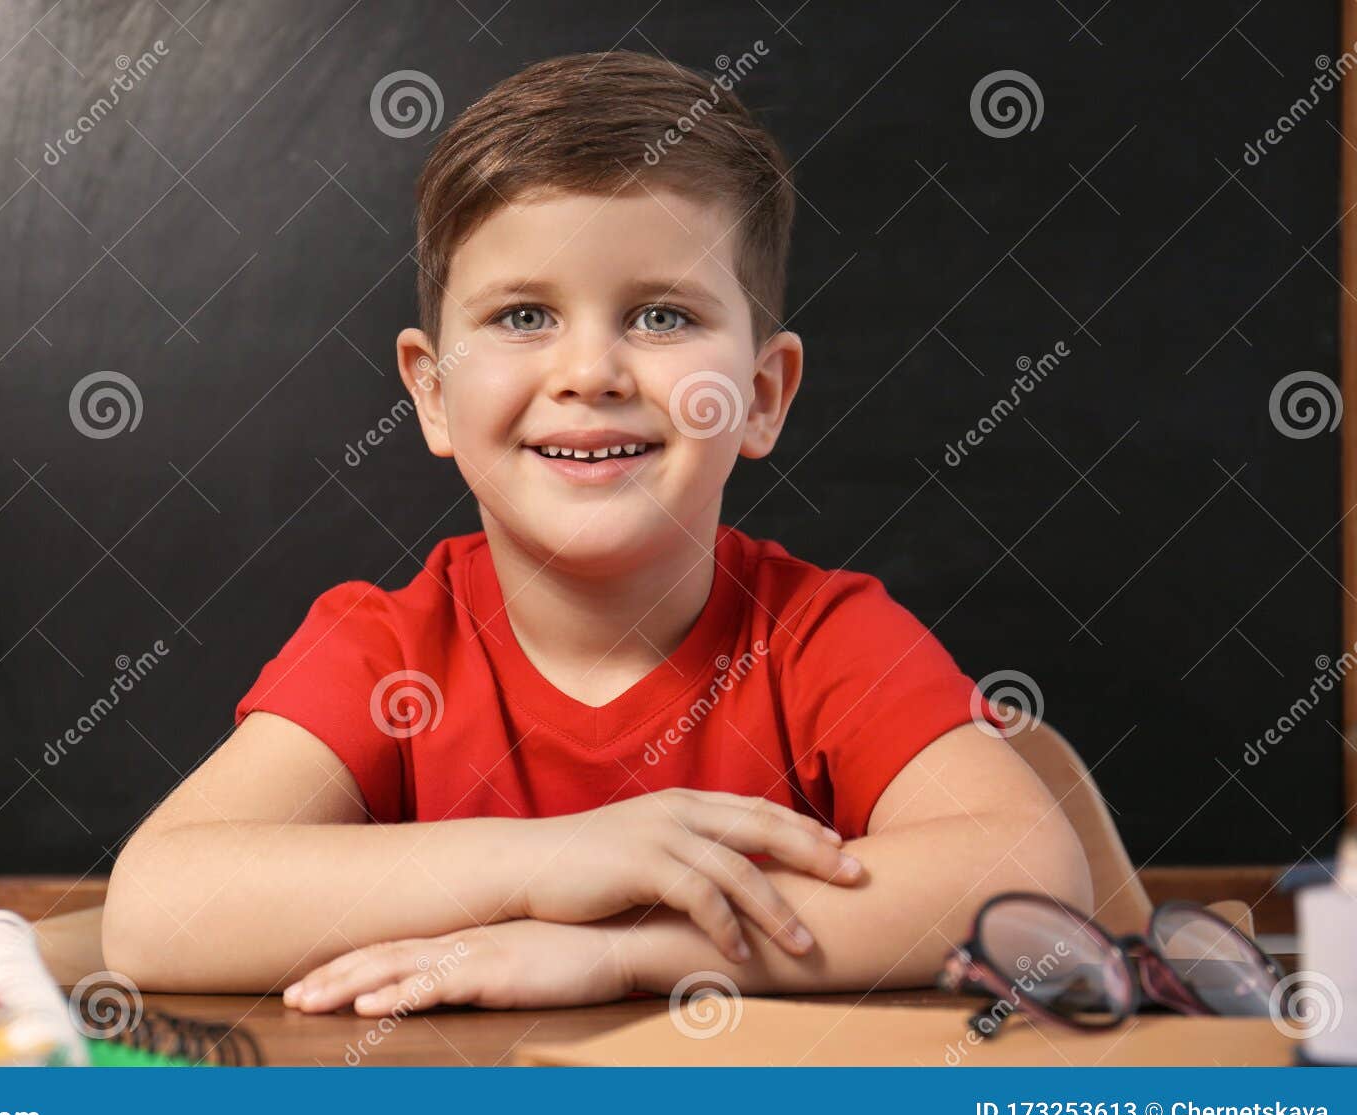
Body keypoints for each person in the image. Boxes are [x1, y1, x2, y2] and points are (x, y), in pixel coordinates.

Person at [102, 50, 1091, 1010]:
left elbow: (1033, 886)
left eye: (660, 317)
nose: (591, 371)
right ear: (433, 395)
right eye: (524, 314)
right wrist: (553, 860)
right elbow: (156, 909)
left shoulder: (817, 636)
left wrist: (624, 951)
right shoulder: (386, 653)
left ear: (758, 396)